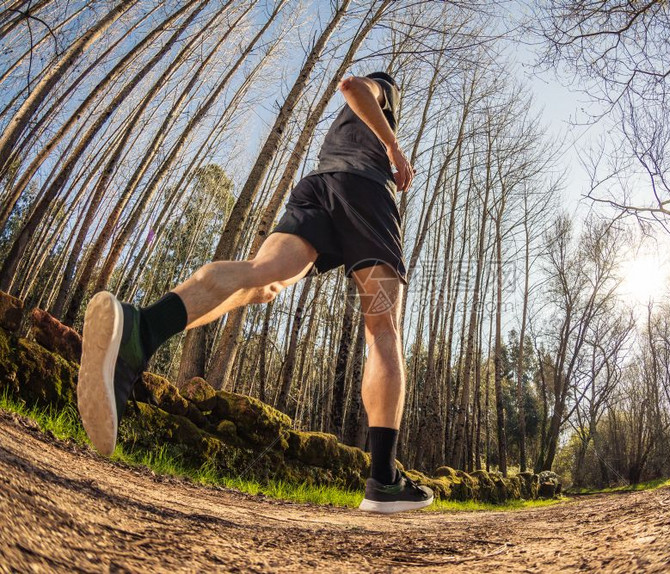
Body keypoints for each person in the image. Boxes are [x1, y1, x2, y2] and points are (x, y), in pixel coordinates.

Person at [76, 71, 434, 514]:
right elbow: (351, 86)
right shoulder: (383, 92)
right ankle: (384, 480)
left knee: (262, 279)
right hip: (366, 198)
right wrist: (393, 146)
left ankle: (142, 330)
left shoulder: (344, 132)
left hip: (317, 191)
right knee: (383, 329)